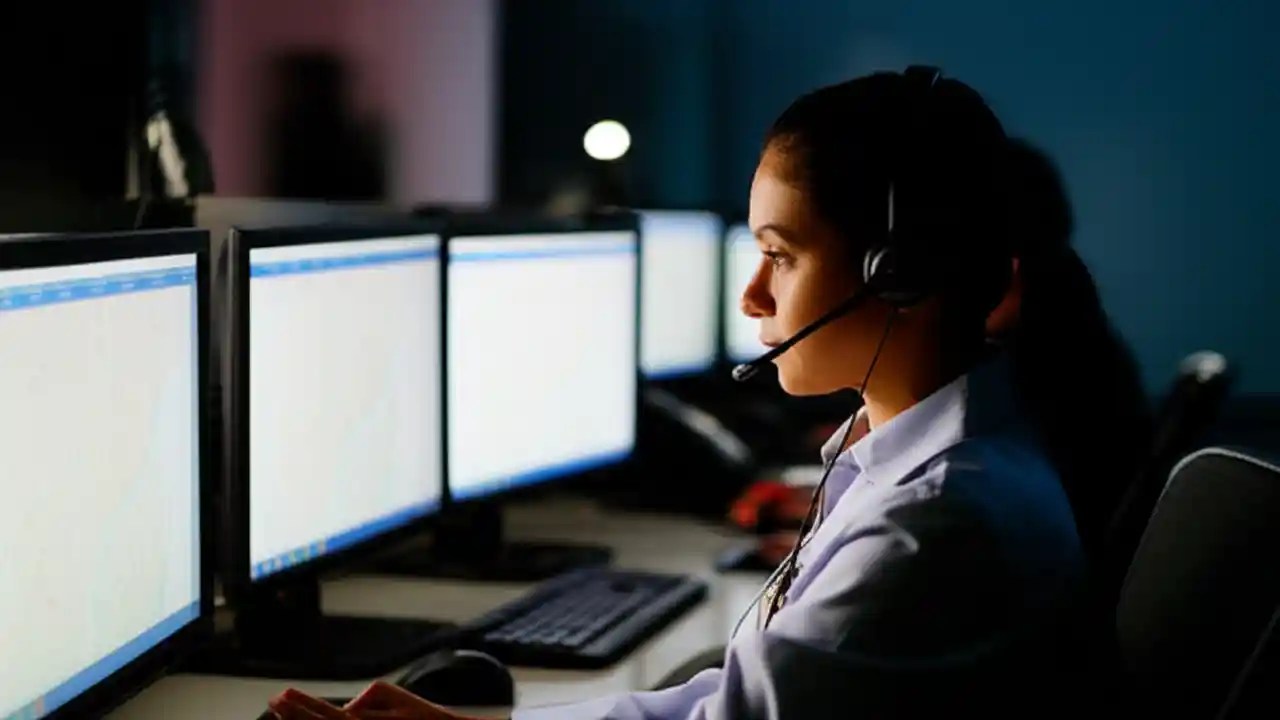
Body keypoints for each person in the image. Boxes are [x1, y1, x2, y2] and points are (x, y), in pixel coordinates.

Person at [268, 67, 1145, 720]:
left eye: (780, 255)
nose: (752, 296)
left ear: (897, 276)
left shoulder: (936, 525)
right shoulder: (930, 461)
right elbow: (741, 701)